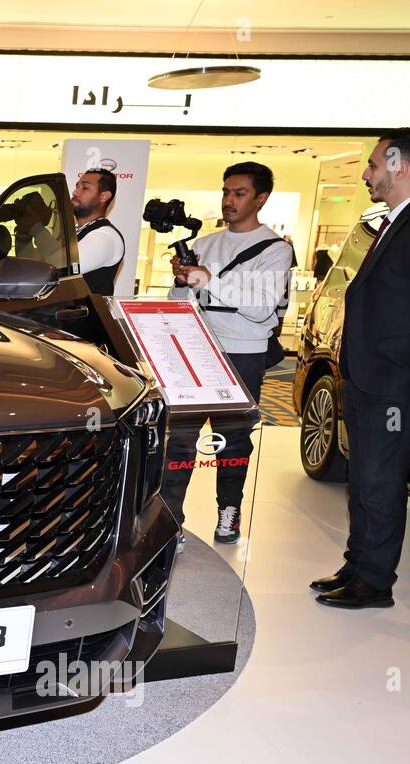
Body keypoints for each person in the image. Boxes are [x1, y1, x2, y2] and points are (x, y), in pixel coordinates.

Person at [312, 127, 410, 609]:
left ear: (398, 166)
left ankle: (374, 582)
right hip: (370, 376)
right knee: (363, 475)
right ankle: (358, 565)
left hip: (394, 380)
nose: (366, 174)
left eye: (372, 165)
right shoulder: (396, 222)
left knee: (381, 480)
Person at [163, 161, 294, 547]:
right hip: (195, 349)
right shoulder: (203, 243)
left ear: (261, 198)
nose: (229, 200)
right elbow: (179, 302)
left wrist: (207, 278)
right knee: (181, 439)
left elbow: (261, 308)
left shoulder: (275, 250)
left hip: (244, 354)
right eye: (226, 192)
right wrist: (181, 281)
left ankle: (228, 511)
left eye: (239, 193)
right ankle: (171, 518)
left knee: (233, 439)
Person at [71, 167, 125, 296]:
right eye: (77, 186)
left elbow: (59, 269)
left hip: (87, 316)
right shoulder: (76, 231)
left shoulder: (105, 236)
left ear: (104, 196)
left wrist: (37, 227)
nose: (75, 192)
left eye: (85, 188)